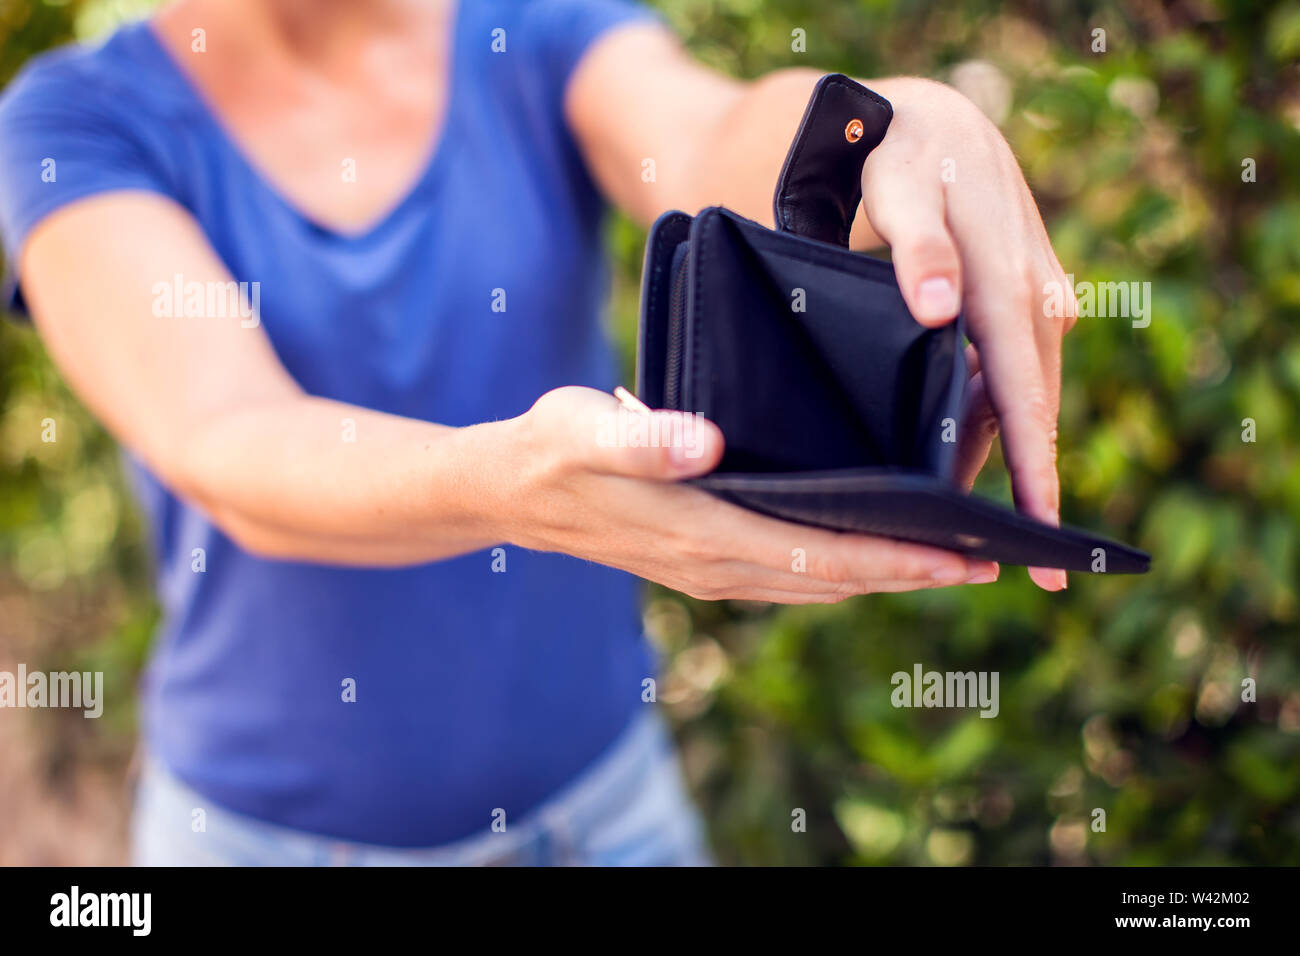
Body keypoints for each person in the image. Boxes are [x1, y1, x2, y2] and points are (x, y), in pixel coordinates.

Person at [0, 0, 1075, 865]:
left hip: (605, 814)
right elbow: (230, 438)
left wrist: (880, 126)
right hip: (252, 838)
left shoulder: (533, 29)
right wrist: (502, 488)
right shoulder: (76, 119)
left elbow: (701, 136)